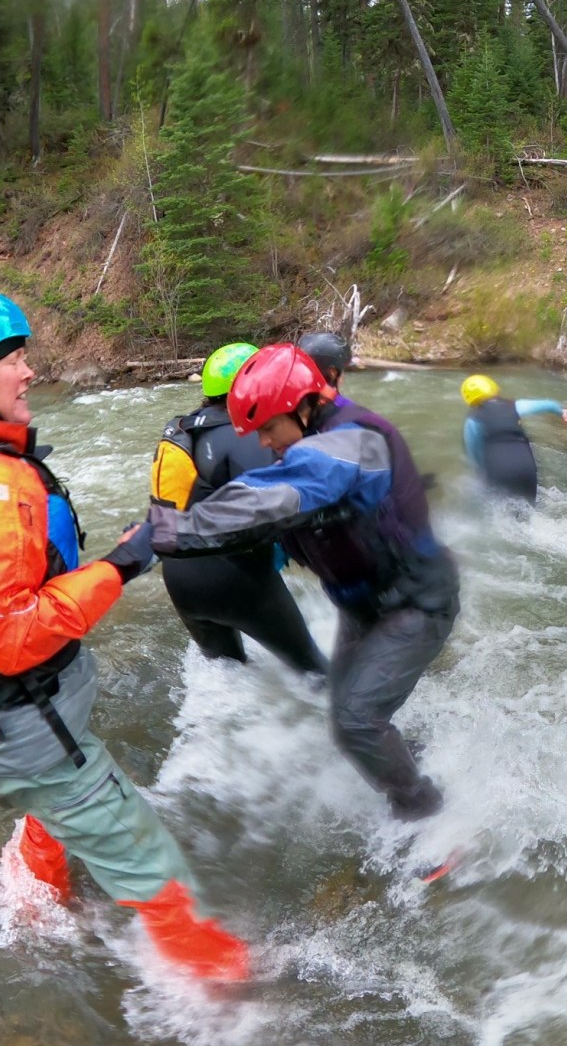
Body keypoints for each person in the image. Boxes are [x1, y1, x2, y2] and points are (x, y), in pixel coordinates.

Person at [0, 291, 247, 981]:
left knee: (54, 795)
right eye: (13, 358)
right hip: (23, 716)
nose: (29, 371)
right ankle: (227, 999)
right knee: (146, 860)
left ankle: (32, 896)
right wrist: (121, 564)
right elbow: (13, 636)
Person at [147, 345, 456, 823]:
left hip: (416, 601)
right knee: (346, 714)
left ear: (304, 405)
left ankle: (426, 813)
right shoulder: (312, 443)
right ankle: (410, 758)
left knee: (354, 721)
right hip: (365, 603)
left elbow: (270, 497)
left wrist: (167, 531)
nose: (265, 442)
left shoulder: (347, 441)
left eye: (269, 428)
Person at [151, 342, 328, 676]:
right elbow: (278, 508)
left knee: (228, 677)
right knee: (314, 672)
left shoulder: (181, 429)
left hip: (179, 580)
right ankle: (357, 726)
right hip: (236, 577)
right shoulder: (245, 434)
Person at [458, 374, 563, 504]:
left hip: (499, 470)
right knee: (532, 512)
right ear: (493, 387)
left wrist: (482, 475)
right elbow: (549, 404)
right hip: (526, 466)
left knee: (505, 515)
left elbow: (475, 454)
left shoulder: (473, 420)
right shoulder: (514, 405)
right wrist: (564, 413)